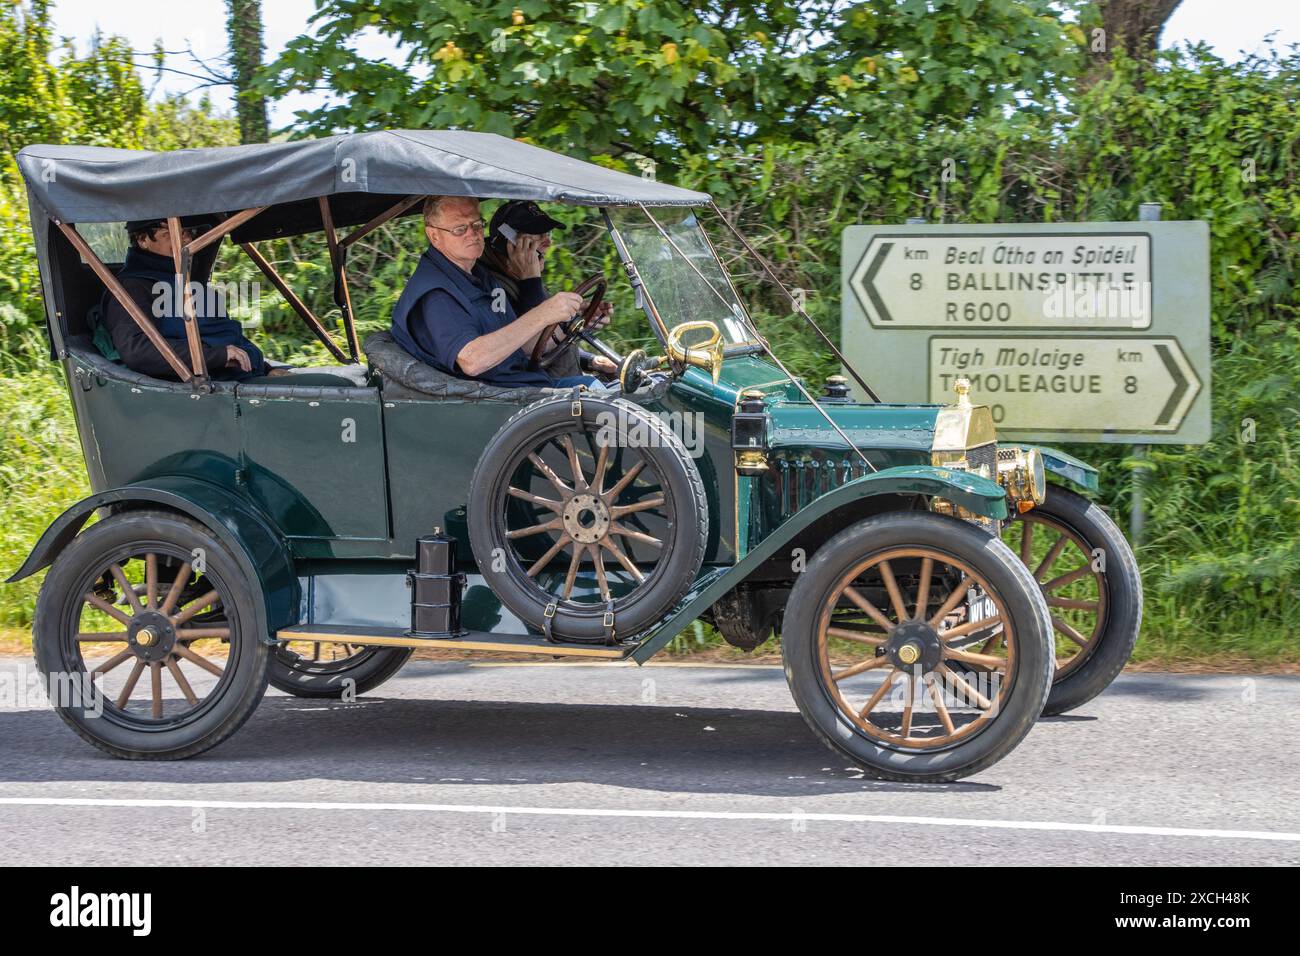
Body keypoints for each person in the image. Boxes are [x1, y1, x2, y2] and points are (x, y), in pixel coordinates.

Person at [390, 195, 609, 389]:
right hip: (498, 402)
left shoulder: (479, 275)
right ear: (434, 236)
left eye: (477, 225)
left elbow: (524, 346)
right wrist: (543, 313)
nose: (474, 235)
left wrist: (571, 319)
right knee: (602, 398)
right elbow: (473, 360)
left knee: (612, 390)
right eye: (460, 229)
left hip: (524, 385)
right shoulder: (435, 293)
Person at [101, 217, 276, 381]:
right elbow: (137, 350)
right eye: (170, 234)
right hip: (203, 390)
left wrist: (267, 369)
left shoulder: (186, 281)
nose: (184, 240)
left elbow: (227, 335)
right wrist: (218, 356)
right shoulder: (133, 287)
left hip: (247, 376)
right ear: (143, 240)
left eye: (186, 233)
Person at [477, 200, 617, 378]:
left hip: (563, 383)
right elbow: (522, 350)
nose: (548, 242)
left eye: (548, 233)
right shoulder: (489, 285)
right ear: (510, 241)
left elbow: (548, 340)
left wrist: (590, 360)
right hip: (536, 395)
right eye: (536, 234)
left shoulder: (517, 275)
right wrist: (530, 280)